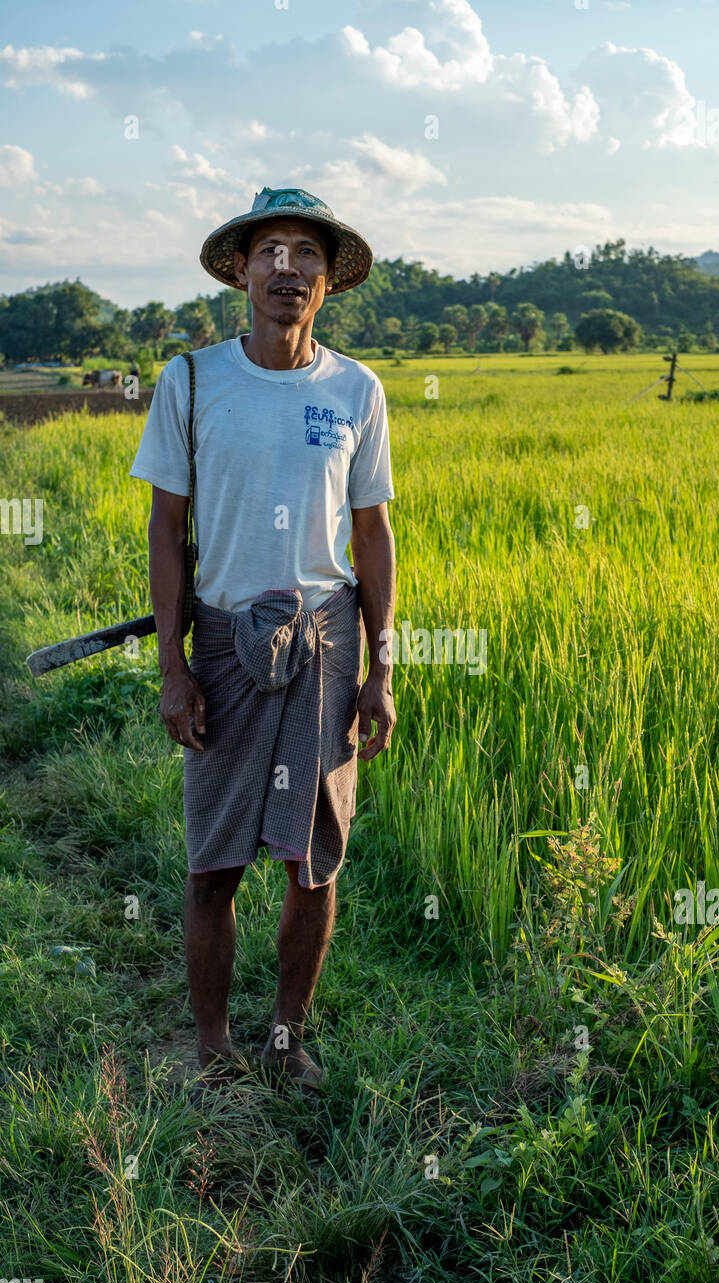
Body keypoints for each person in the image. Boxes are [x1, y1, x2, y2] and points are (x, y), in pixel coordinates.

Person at [129, 187, 397, 1096]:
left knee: (313, 864)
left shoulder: (356, 389)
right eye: (271, 251)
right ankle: (211, 1051)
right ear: (241, 271)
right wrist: (173, 667)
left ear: (329, 281)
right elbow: (167, 530)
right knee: (214, 863)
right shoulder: (193, 380)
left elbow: (373, 536)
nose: (288, 269)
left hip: (327, 645)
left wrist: (381, 668)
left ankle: (287, 1039)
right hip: (222, 642)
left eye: (306, 255)